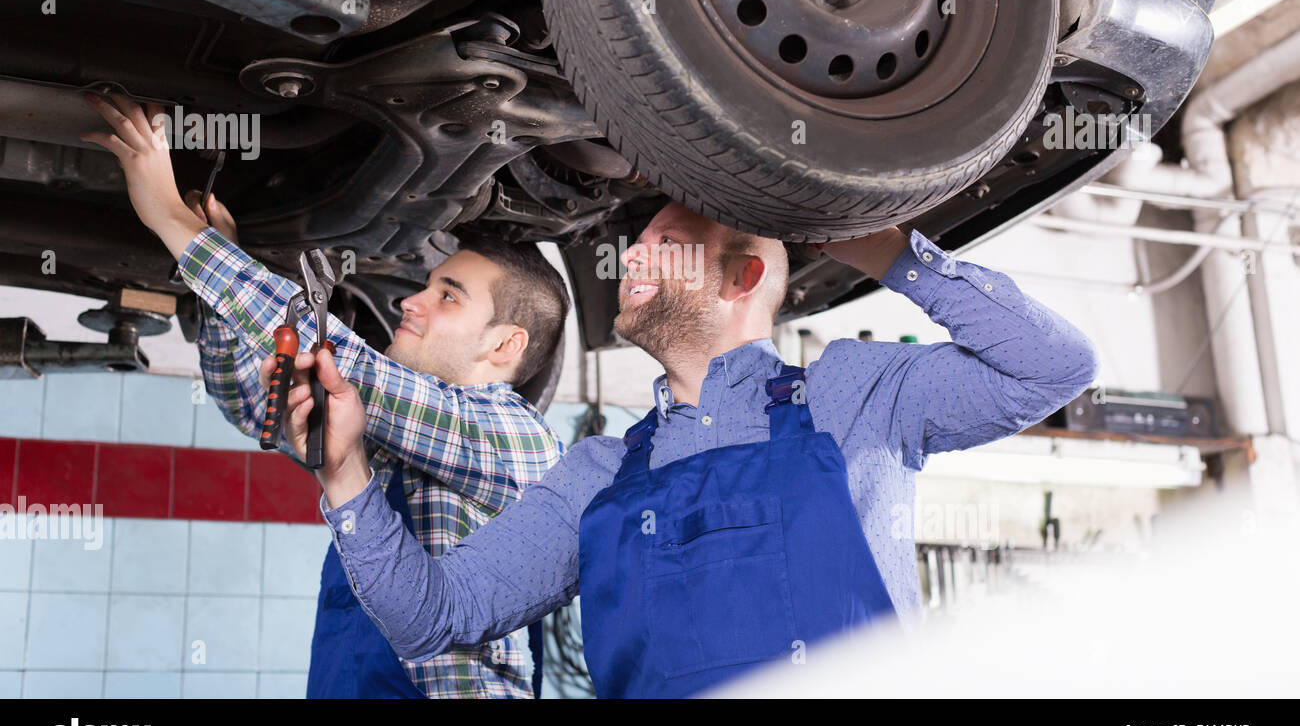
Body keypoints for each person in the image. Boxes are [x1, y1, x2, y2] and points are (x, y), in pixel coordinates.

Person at [278, 196, 1102, 698]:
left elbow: (1054, 367)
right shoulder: (595, 475)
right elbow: (432, 614)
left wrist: (890, 253)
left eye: (664, 241)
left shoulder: (854, 395)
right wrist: (344, 472)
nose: (630, 253)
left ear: (743, 280)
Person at [82, 92, 569, 698]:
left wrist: (171, 221)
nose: (410, 303)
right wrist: (218, 273)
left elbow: (353, 368)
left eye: (447, 295)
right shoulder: (385, 446)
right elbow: (245, 403)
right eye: (426, 286)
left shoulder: (518, 441)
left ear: (505, 346)